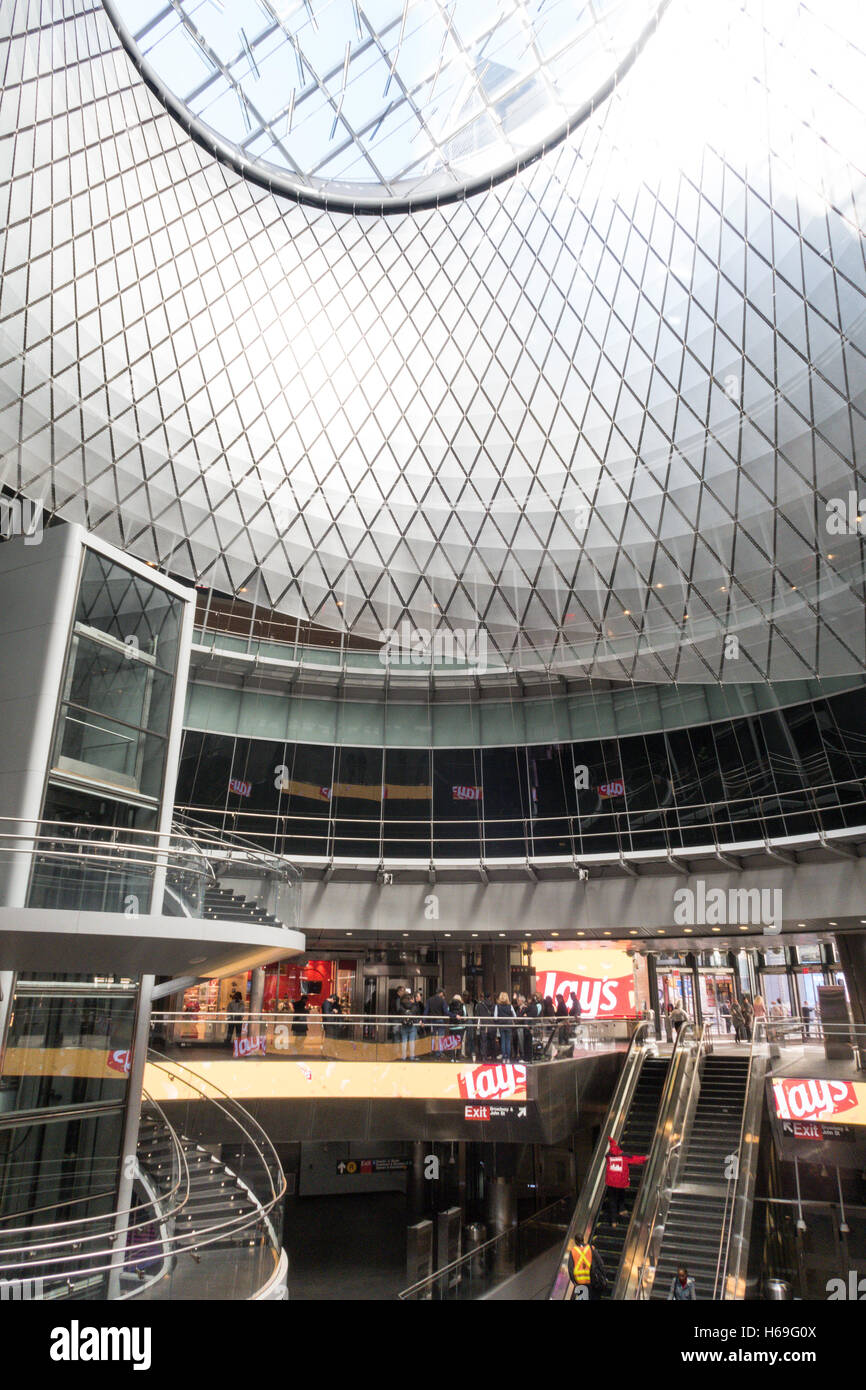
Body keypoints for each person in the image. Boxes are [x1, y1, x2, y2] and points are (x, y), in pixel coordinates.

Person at [604, 1136, 647, 1226]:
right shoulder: (624, 1157)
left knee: (612, 1200)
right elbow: (635, 1159)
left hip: (611, 1183)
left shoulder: (609, 1157)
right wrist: (645, 1158)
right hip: (620, 1182)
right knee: (621, 1195)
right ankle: (622, 1210)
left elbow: (608, 1155)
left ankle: (614, 1221)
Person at [567, 1234, 608, 1301]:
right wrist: (604, 1275)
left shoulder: (573, 1251)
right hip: (592, 1280)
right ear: (583, 1239)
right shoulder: (591, 1248)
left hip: (580, 1281)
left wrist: (573, 1281)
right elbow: (600, 1262)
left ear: (576, 1241)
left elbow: (570, 1269)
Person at [425, 987, 449, 1057]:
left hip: (433, 1020)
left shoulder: (430, 1000)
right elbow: (446, 1012)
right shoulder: (442, 1001)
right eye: (443, 994)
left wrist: (423, 1020)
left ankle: (434, 1051)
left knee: (434, 1036)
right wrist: (454, 1015)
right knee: (441, 1036)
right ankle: (440, 1052)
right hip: (440, 1020)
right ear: (441, 993)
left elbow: (426, 1011)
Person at [398, 986, 421, 1060]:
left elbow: (399, 1012)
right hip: (412, 1025)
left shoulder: (402, 1005)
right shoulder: (413, 1006)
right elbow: (415, 1013)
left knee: (404, 1042)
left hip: (403, 1025)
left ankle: (404, 1057)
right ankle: (412, 1056)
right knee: (411, 1042)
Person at [494, 991, 516, 1060]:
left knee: (503, 1041)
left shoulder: (497, 1006)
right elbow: (515, 1016)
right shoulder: (510, 1006)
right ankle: (508, 1058)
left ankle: (504, 1057)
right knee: (508, 1041)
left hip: (501, 1025)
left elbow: (495, 1017)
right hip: (509, 1025)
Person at [475, 992, 494, 1060]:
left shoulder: (479, 1005)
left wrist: (477, 1025)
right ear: (489, 997)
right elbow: (493, 1014)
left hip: (483, 1023)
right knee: (491, 1040)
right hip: (491, 1024)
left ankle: (483, 1056)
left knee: (483, 1040)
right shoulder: (492, 1004)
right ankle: (491, 1054)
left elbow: (477, 1015)